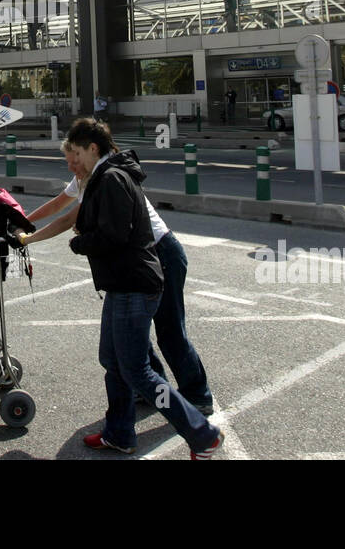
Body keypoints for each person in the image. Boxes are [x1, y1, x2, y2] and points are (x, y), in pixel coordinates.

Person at [56, 117, 222, 459]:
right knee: (112, 358)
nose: (72, 162)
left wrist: (79, 243)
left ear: (93, 148)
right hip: (121, 283)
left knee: (138, 369)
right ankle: (119, 432)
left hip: (135, 283)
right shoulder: (100, 177)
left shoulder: (112, 178)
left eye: (75, 153)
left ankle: (201, 432)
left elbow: (114, 235)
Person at [21, 140, 215, 416]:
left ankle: (198, 395)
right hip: (135, 259)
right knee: (130, 332)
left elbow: (67, 220)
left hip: (161, 253)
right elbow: (57, 205)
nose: (70, 165)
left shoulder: (105, 179)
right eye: (67, 159)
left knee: (169, 332)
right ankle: (150, 387)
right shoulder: (85, 177)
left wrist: (28, 239)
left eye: (73, 158)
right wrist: (22, 221)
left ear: (89, 152)